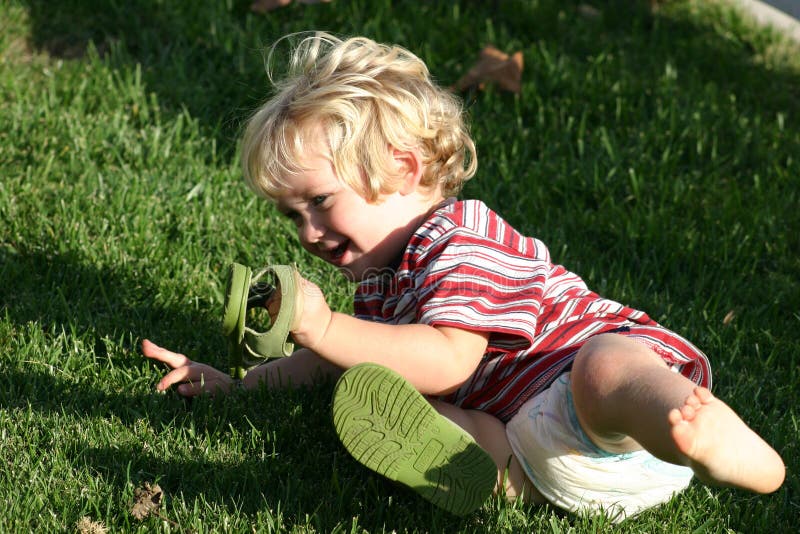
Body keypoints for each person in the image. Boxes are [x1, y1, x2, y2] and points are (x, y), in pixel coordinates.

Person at [142, 32, 785, 521]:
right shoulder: (380, 285)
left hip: (596, 402)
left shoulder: (458, 237)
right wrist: (242, 385)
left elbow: (450, 359)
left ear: (402, 169)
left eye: (319, 201)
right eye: (293, 215)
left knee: (603, 367)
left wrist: (325, 324)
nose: (308, 232)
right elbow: (330, 361)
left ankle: (711, 436)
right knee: (393, 400)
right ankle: (507, 481)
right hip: (556, 459)